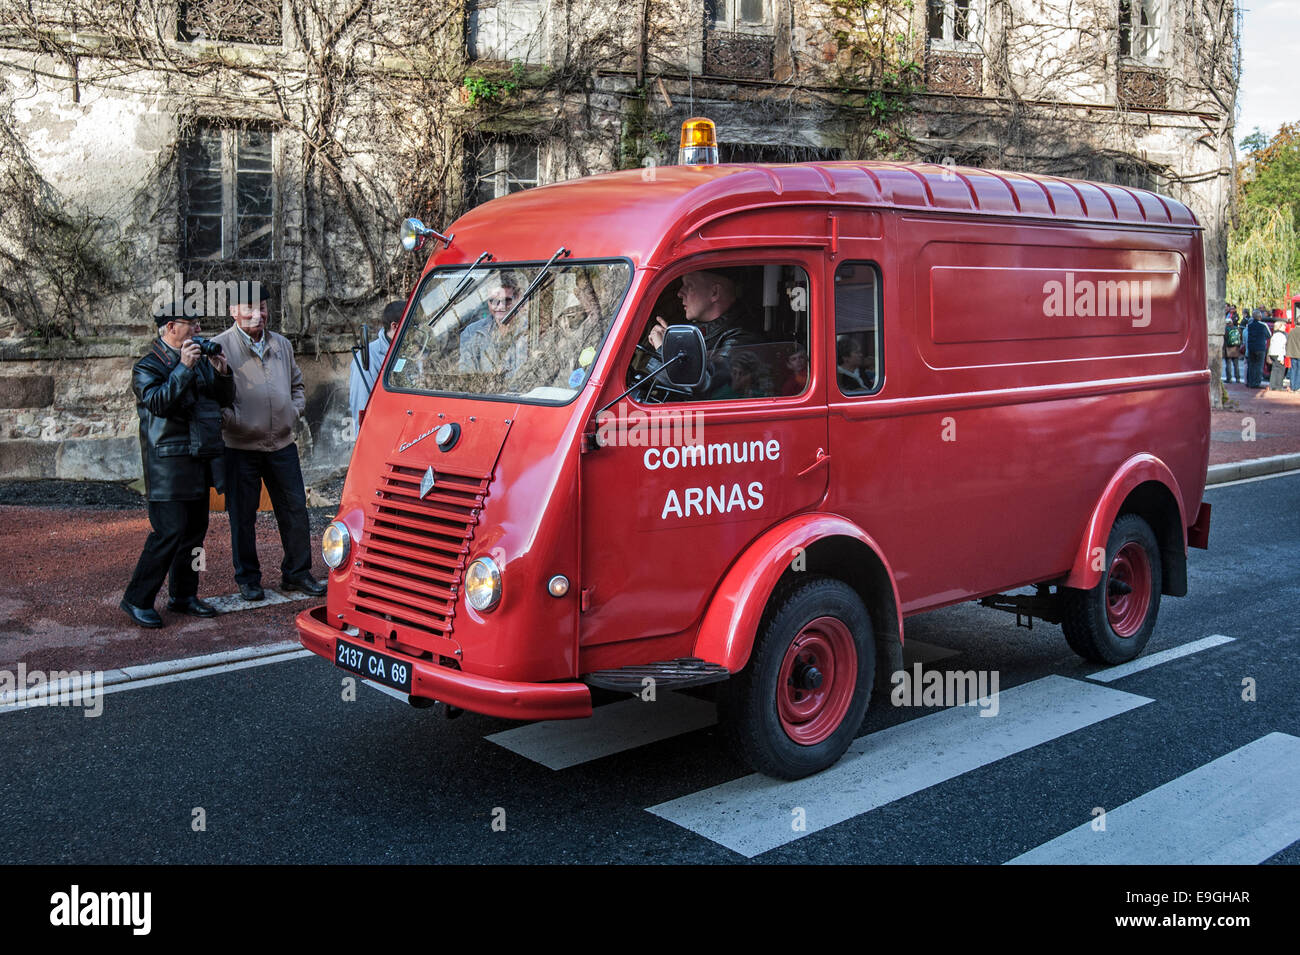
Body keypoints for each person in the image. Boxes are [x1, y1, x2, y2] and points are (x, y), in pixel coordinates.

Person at [121, 309, 234, 627]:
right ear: (170, 327)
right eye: (192, 324)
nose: (199, 329)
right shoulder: (147, 366)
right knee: (168, 533)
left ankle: (184, 595)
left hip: (200, 458)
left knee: (195, 535)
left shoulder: (198, 361)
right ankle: (136, 599)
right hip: (167, 465)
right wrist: (183, 368)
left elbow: (224, 400)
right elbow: (159, 403)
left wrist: (223, 373)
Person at [212, 284, 325, 601]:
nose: (258, 314)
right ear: (233, 311)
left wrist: (293, 410)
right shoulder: (219, 347)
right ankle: (248, 579)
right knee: (243, 517)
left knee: (294, 511)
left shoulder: (282, 344)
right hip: (240, 448)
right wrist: (235, 422)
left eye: (262, 307)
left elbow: (298, 384)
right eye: (249, 308)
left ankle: (297, 573)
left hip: (282, 444)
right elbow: (212, 400)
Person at [642, 269, 761, 399]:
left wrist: (664, 350)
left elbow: (709, 387)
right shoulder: (703, 331)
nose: (680, 293)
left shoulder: (743, 338)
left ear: (714, 292)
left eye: (689, 285)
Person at [349, 300, 406, 432]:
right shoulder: (369, 357)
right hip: (381, 434)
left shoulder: (408, 351)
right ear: (395, 326)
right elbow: (361, 406)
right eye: (411, 325)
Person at [459, 274, 529, 374]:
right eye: (494, 301)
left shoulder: (529, 330)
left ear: (517, 298)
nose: (500, 306)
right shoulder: (472, 333)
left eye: (507, 300)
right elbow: (466, 374)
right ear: (488, 301)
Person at [1245, 308, 1270, 388]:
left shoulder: (1250, 325)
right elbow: (1269, 335)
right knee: (1259, 365)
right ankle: (1256, 382)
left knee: (1251, 365)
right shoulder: (1263, 325)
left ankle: (1251, 382)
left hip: (1251, 347)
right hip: (1260, 347)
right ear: (1260, 317)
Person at [1267, 320, 1288, 390]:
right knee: (1281, 370)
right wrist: (1281, 357)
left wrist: (1269, 355)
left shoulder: (1274, 335)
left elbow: (1271, 345)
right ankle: (1279, 386)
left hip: (1273, 353)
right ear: (1280, 327)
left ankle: (1272, 385)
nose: (1285, 327)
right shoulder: (1282, 335)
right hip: (1279, 354)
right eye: (1283, 326)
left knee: (1274, 369)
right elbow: (1282, 347)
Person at [1222, 314, 1242, 384]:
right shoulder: (1237, 328)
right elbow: (1240, 338)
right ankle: (1238, 378)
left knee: (1228, 364)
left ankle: (1229, 378)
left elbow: (1224, 339)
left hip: (1228, 349)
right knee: (1236, 365)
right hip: (1236, 349)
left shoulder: (1225, 329)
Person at [1287, 318, 1300, 392]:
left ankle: (1292, 386)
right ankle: (1297, 387)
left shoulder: (1292, 331)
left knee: (1293, 370)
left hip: (1293, 353)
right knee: (1299, 371)